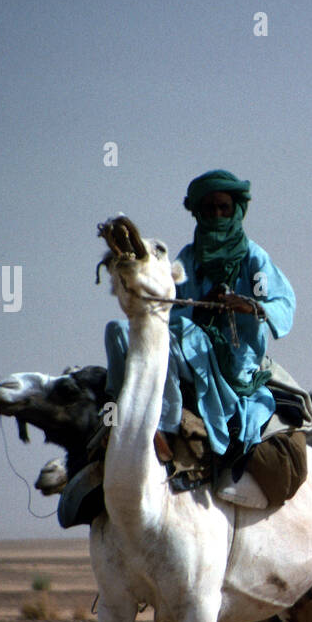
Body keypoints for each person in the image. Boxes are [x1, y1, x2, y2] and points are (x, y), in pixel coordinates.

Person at [102, 169, 296, 471]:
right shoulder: (188, 259)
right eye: (210, 209)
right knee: (118, 331)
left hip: (233, 359)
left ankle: (163, 425)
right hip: (188, 343)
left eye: (224, 208)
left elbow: (281, 303)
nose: (217, 215)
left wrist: (248, 306)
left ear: (236, 211)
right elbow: (168, 311)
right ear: (198, 214)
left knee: (163, 346)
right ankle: (117, 415)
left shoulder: (253, 260)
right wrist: (200, 312)